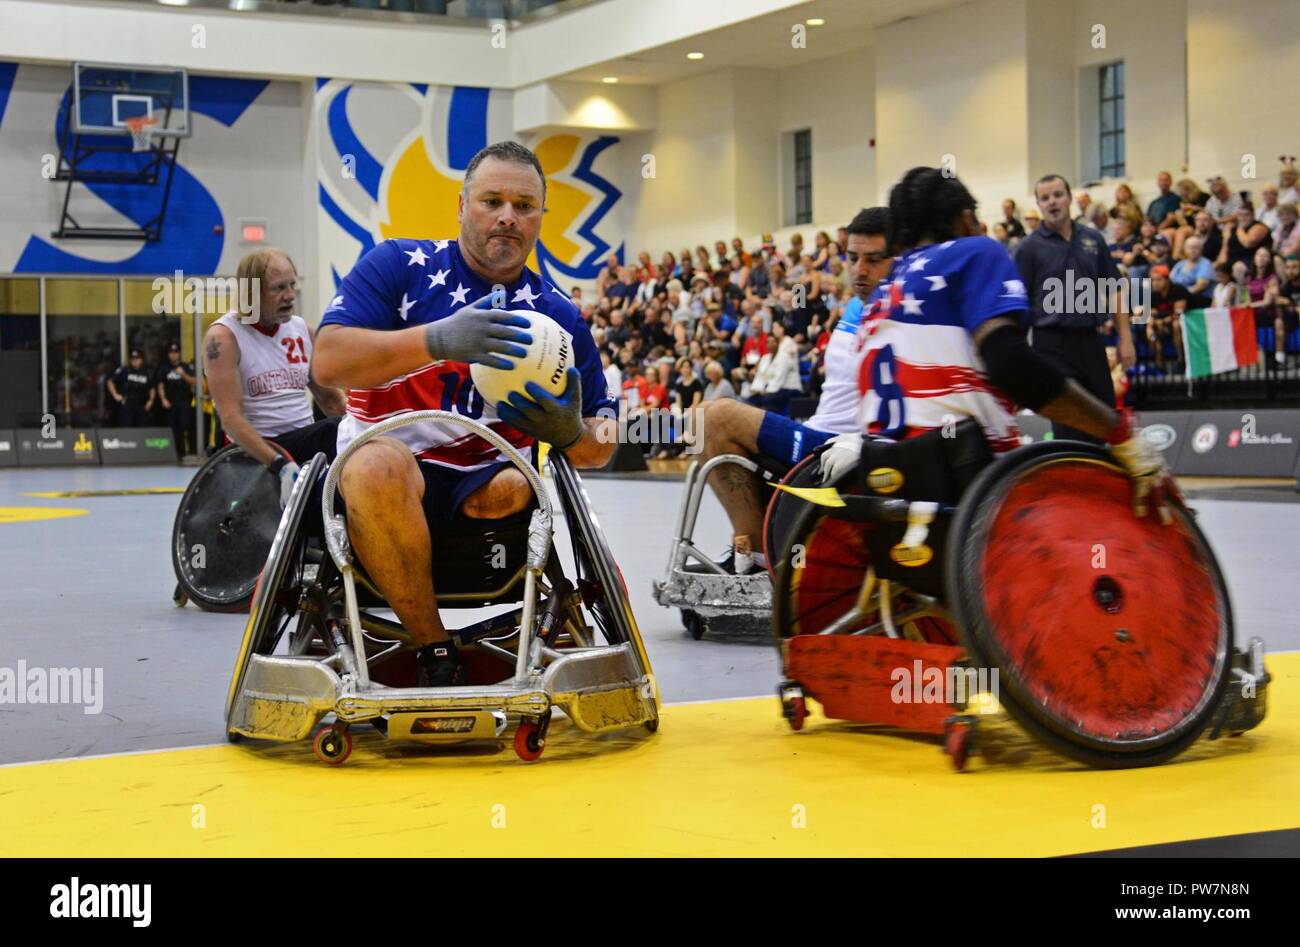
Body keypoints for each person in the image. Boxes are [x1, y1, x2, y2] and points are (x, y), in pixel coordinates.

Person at [312, 141, 618, 687]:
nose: (507, 216)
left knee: (512, 487)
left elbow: (603, 441)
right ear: (461, 206)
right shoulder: (398, 266)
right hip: (387, 461)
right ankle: (434, 652)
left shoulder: (557, 314)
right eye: (491, 201)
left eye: (524, 206)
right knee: (375, 467)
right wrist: (436, 340)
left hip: (487, 479)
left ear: (540, 219)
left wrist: (570, 431)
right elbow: (328, 362)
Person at [818, 166, 1174, 528]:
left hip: (890, 484)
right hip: (967, 482)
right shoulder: (976, 252)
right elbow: (1008, 362)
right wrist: (1120, 433)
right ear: (965, 217)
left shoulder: (878, 297)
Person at [688, 207, 893, 573]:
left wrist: (868, 442)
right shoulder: (856, 306)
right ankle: (752, 545)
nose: (860, 270)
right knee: (704, 418)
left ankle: (754, 555)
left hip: (839, 447)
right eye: (853, 258)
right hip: (821, 432)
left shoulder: (902, 311)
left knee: (713, 418)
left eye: (874, 260)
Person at [203, 248, 347, 505]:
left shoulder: (303, 331)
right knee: (333, 430)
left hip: (303, 442)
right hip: (256, 450)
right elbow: (230, 418)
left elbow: (331, 400)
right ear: (251, 292)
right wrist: (279, 463)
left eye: (292, 285)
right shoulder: (223, 338)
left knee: (347, 428)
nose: (290, 296)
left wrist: (366, 430)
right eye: (278, 288)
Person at [1015, 173, 1136, 442]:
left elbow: (1114, 288)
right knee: (1069, 422)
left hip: (1090, 340)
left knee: (1105, 416)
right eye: (1044, 198)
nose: (1052, 202)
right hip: (1051, 345)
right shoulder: (1028, 248)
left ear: (1070, 198)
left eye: (1058, 195)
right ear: (1039, 205)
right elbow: (1019, 305)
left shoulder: (1093, 239)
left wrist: (1125, 339)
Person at [156, 343, 196, 459]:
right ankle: (176, 452)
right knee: (173, 428)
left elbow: (194, 382)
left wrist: (183, 375)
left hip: (184, 401)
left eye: (176, 352)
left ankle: (188, 451)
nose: (173, 355)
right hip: (171, 402)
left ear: (179, 353)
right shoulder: (164, 368)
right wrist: (163, 399)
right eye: (171, 353)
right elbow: (161, 385)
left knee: (185, 425)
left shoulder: (186, 367)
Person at [107, 349, 155, 427]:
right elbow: (110, 381)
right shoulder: (125, 370)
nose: (135, 361)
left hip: (141, 405)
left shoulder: (147, 372)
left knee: (142, 429)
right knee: (127, 429)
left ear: (141, 360)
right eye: (133, 359)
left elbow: (152, 388)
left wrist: (151, 400)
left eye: (137, 359)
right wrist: (115, 395)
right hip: (128, 404)